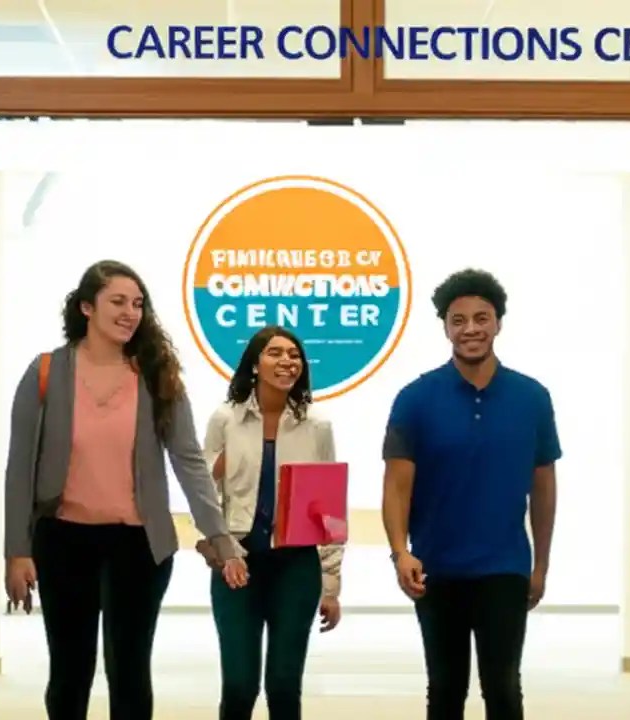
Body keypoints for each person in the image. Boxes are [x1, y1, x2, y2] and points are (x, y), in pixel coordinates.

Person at [2, 259, 248, 720]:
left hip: (138, 545)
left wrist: (219, 536)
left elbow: (189, 461)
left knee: (130, 672)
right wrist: (17, 551)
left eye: (137, 304)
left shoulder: (155, 374)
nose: (130, 313)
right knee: (69, 673)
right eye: (118, 301)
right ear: (86, 307)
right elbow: (19, 469)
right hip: (63, 540)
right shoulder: (46, 372)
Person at [381, 268, 561, 720]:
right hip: (436, 569)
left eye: (482, 318)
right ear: (445, 327)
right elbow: (397, 485)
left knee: (503, 688)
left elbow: (543, 487)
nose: (471, 329)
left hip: (505, 567)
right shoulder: (414, 399)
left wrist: (540, 565)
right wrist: (400, 552)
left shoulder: (532, 398)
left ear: (498, 323)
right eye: (458, 320)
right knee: (445, 689)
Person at [196, 325, 344, 720]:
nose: (287, 361)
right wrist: (220, 548)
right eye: (275, 353)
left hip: (296, 564)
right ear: (254, 364)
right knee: (239, 685)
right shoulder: (225, 419)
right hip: (238, 562)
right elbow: (204, 494)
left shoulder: (317, 426)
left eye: (294, 355)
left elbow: (330, 510)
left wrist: (330, 585)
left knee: (283, 686)